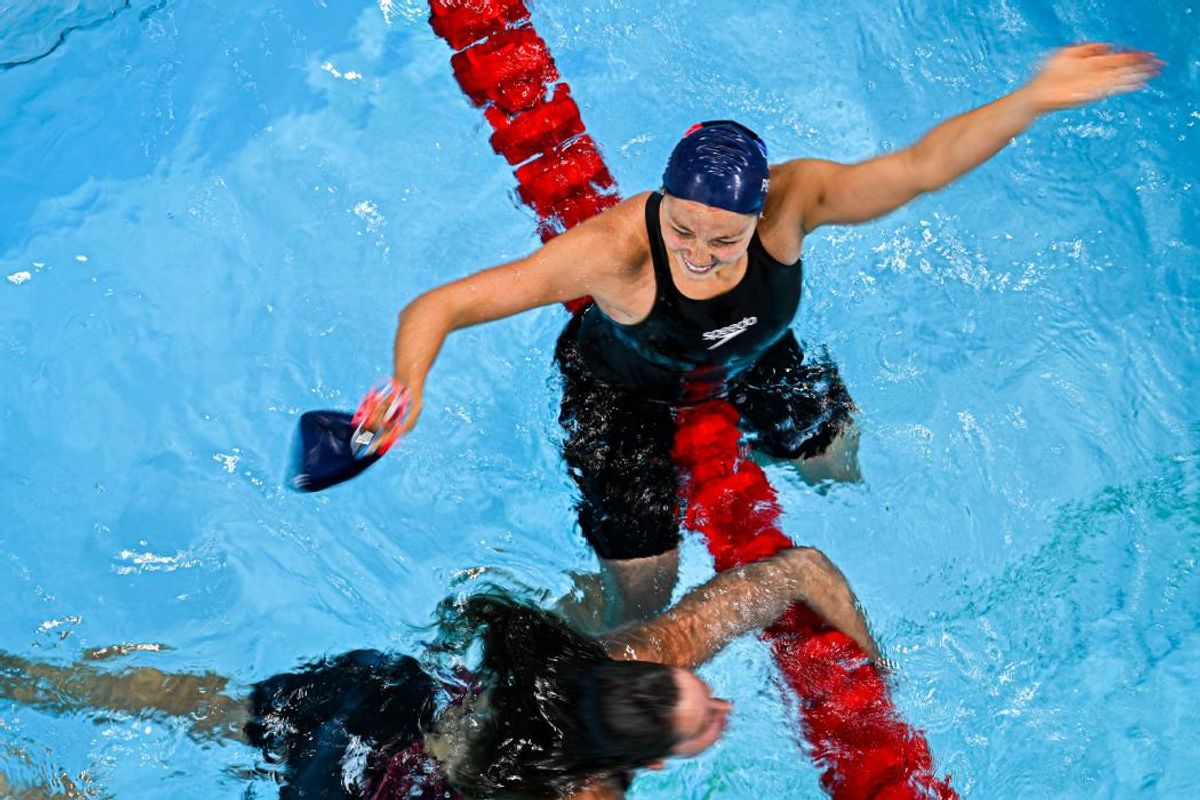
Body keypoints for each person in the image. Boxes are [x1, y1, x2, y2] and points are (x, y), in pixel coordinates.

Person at [362, 44, 1160, 626]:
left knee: (836, 460)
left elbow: (920, 166)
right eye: (682, 232)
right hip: (624, 390)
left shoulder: (795, 200)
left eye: (723, 242)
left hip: (750, 358)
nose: (700, 257)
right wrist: (410, 384)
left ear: (759, 215)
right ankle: (542, 623)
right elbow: (440, 306)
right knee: (646, 592)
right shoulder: (612, 250)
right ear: (663, 205)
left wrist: (1033, 97)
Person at [0, 547, 878, 800]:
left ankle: (26, 679)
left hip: (381, 699)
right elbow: (797, 576)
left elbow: (792, 573)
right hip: (361, 788)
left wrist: (880, 669)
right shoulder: (583, 797)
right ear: (644, 763)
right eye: (706, 720)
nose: (721, 702)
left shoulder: (629, 657)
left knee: (216, 711)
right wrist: (881, 678)